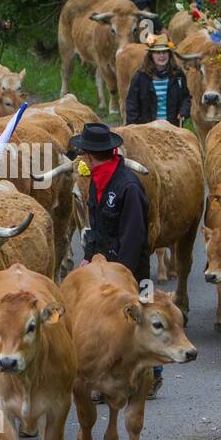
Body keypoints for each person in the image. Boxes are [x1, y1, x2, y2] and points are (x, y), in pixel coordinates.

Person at [72, 122, 161, 396]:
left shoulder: (128, 187)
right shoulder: (98, 183)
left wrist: (122, 274)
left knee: (143, 318)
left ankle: (152, 374)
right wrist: (88, 257)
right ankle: (110, 376)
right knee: (110, 322)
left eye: (82, 154)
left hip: (131, 269)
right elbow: (95, 227)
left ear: (88, 156)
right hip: (105, 268)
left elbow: (135, 237)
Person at [125, 35, 192, 127]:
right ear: (151, 55)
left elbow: (186, 98)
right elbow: (132, 103)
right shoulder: (141, 76)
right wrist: (132, 126)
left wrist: (183, 111)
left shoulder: (178, 75)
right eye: (157, 52)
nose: (162, 56)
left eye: (165, 52)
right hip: (147, 127)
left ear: (169, 54)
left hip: (172, 126)